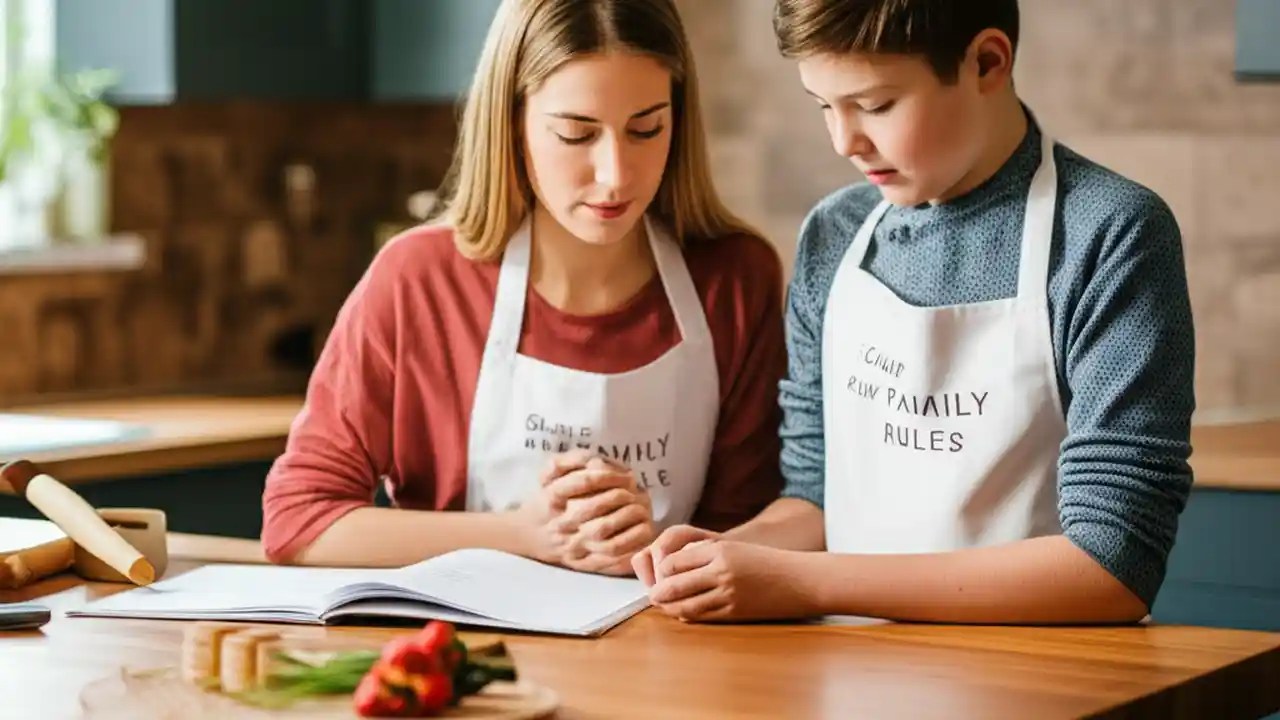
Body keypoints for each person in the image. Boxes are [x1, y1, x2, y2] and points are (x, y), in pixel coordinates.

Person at [636, 0, 1195, 624]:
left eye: (875, 105)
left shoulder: (1109, 234)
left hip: (1042, 683)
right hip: (847, 679)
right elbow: (814, 500)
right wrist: (721, 555)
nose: (844, 141)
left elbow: (1111, 566)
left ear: (987, 61)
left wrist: (808, 583)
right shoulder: (835, 235)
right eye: (825, 105)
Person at [260, 0, 786, 575]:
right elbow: (299, 523)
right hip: (465, 654)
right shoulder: (418, 281)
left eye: (646, 129)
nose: (614, 173)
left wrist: (654, 546)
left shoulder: (736, 280)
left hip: (671, 654)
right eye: (575, 133)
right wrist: (523, 534)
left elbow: (753, 534)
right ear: (511, 122)